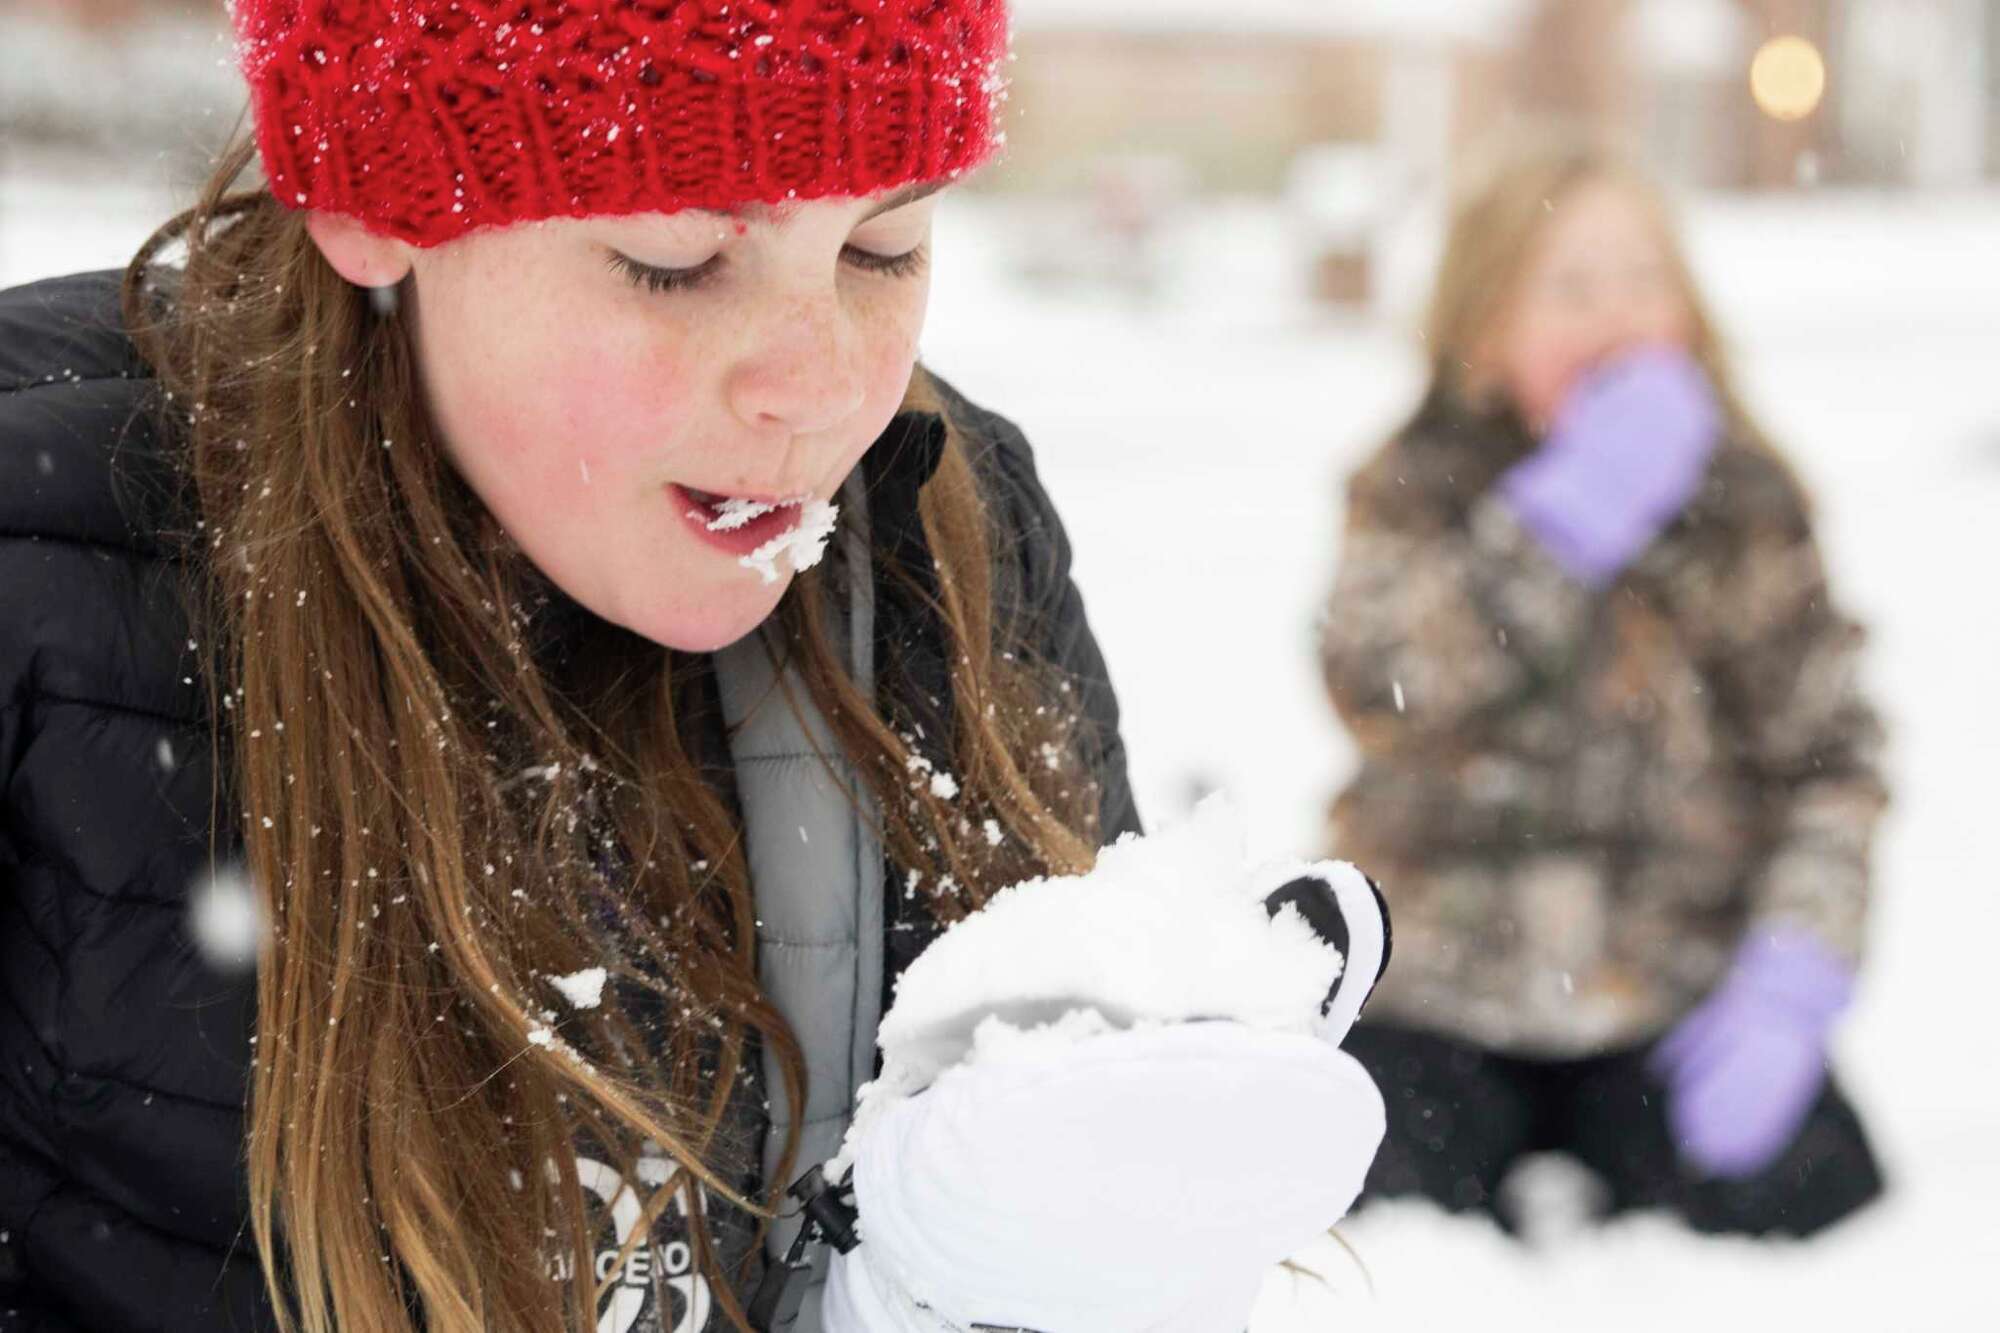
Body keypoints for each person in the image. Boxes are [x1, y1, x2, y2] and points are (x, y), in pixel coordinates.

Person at [0, 3, 1387, 1331]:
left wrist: (1014, 1274)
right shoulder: (40, 549)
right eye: (675, 258)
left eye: (883, 248)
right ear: (377, 198)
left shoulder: (945, 536)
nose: (823, 383)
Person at [1318, 131, 1888, 1241]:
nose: (1616, 315)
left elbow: (1829, 759)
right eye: (1570, 287)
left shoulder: (1746, 506)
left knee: (1809, 1192)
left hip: (1668, 994)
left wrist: (1791, 974)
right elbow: (1374, 688)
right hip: (1437, 998)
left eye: (1642, 279)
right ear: (1480, 330)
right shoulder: (1410, 488)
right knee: (1352, 1212)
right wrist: (1553, 530)